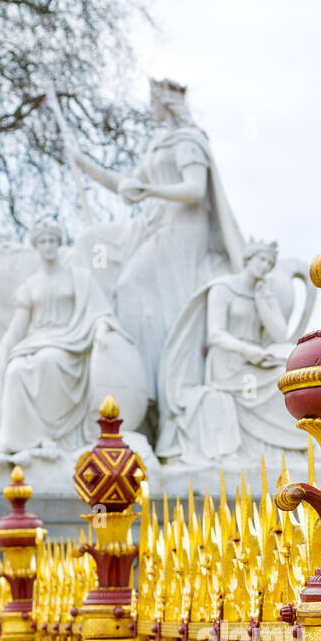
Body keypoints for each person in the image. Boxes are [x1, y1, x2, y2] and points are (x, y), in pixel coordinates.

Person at [70, 78, 245, 403]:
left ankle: (150, 387)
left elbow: (194, 190)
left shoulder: (189, 141)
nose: (150, 107)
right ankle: (95, 330)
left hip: (181, 228)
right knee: (90, 241)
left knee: (131, 285)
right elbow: (126, 185)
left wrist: (150, 192)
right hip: (151, 223)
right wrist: (83, 163)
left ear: (165, 103)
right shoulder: (158, 143)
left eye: (153, 100)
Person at [157, 240, 307, 469]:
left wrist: (262, 301)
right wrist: (247, 350)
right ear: (248, 259)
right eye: (261, 259)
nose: (265, 266)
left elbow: (279, 335)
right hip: (228, 362)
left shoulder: (264, 293)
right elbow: (215, 335)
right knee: (275, 385)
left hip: (257, 359)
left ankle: (293, 448)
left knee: (285, 378)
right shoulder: (223, 289)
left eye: (270, 262)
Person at [0, 218, 117, 458]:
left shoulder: (79, 277)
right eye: (43, 241)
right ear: (36, 246)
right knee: (15, 371)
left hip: (69, 341)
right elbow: (18, 327)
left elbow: (99, 311)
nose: (48, 246)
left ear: (59, 243)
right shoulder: (31, 285)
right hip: (35, 341)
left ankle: (54, 436)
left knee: (48, 361)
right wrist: (2, 351)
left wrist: (103, 327)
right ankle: (11, 441)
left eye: (52, 241)